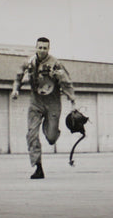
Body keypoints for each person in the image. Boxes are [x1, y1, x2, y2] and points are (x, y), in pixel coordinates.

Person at [11, 37, 76, 179]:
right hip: (36, 102)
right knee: (32, 134)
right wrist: (15, 90)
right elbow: (18, 77)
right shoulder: (29, 62)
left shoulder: (56, 64)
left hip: (53, 103)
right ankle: (38, 167)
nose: (42, 50)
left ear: (48, 49)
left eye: (45, 48)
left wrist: (72, 100)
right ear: (36, 48)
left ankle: (53, 132)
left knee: (51, 137)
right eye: (39, 47)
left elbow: (66, 82)